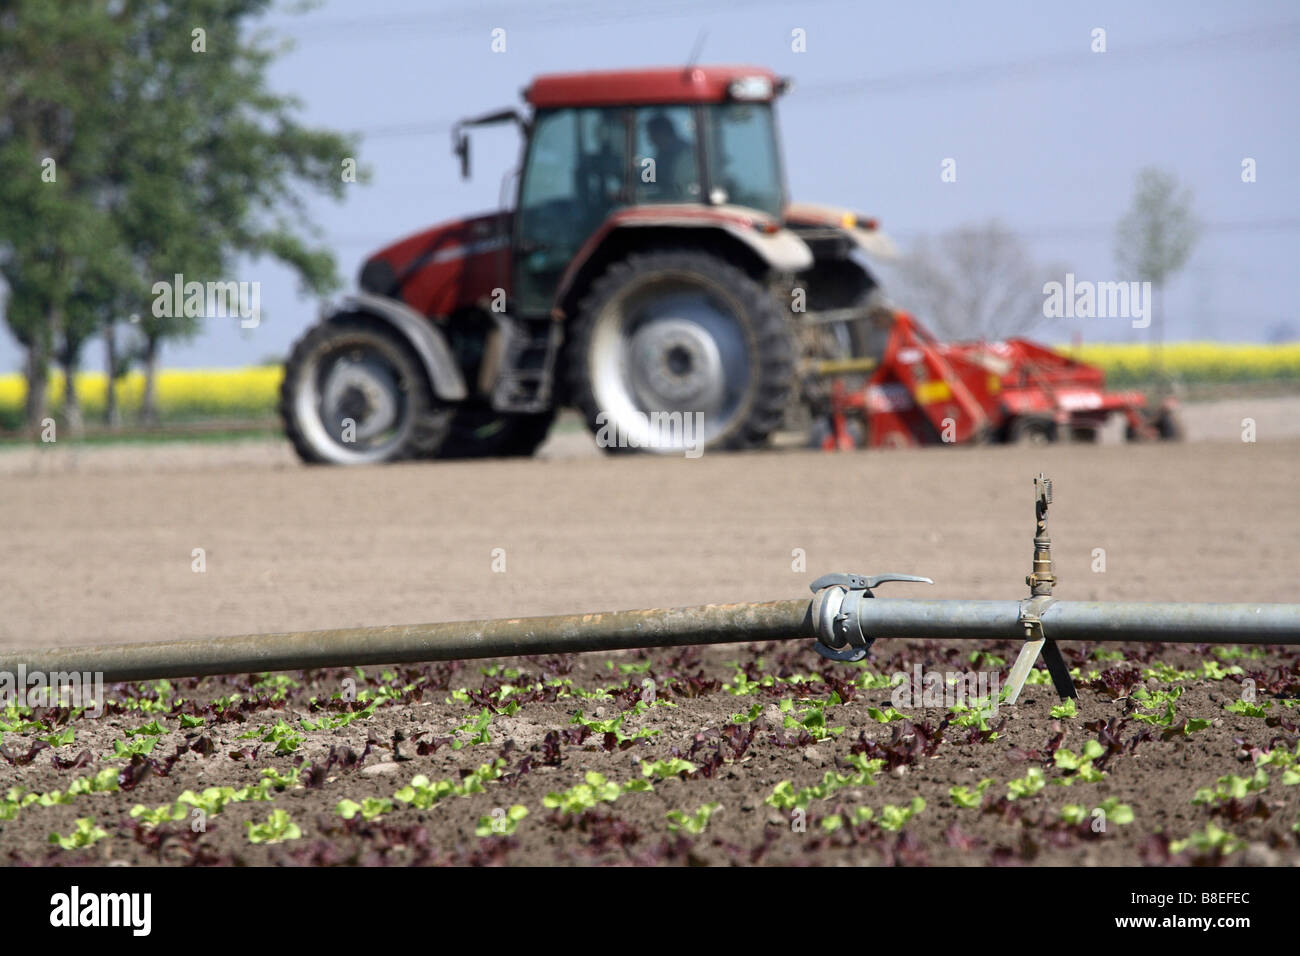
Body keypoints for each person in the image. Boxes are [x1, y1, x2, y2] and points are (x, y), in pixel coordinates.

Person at [645, 113, 695, 200]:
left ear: (661, 133)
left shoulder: (687, 154)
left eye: (651, 134)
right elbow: (648, 180)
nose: (649, 140)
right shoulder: (660, 156)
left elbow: (683, 185)